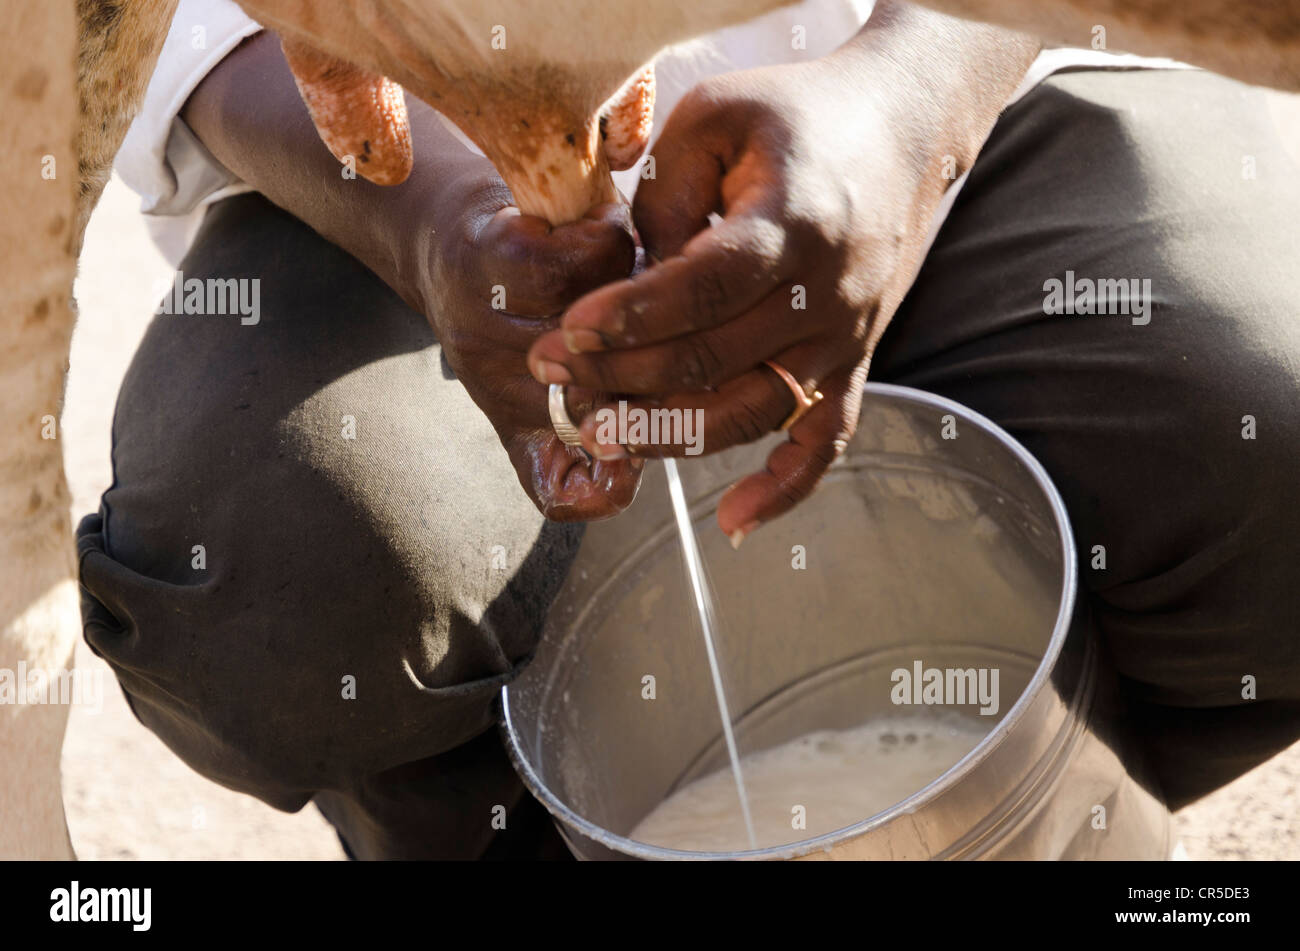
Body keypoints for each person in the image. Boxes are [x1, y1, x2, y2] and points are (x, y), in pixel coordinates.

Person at [80, 0, 1300, 859]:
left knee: (1260, 403)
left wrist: (917, 112)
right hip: (399, 217)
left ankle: (1049, 808)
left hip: (943, 75)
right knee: (276, 565)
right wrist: (434, 228)